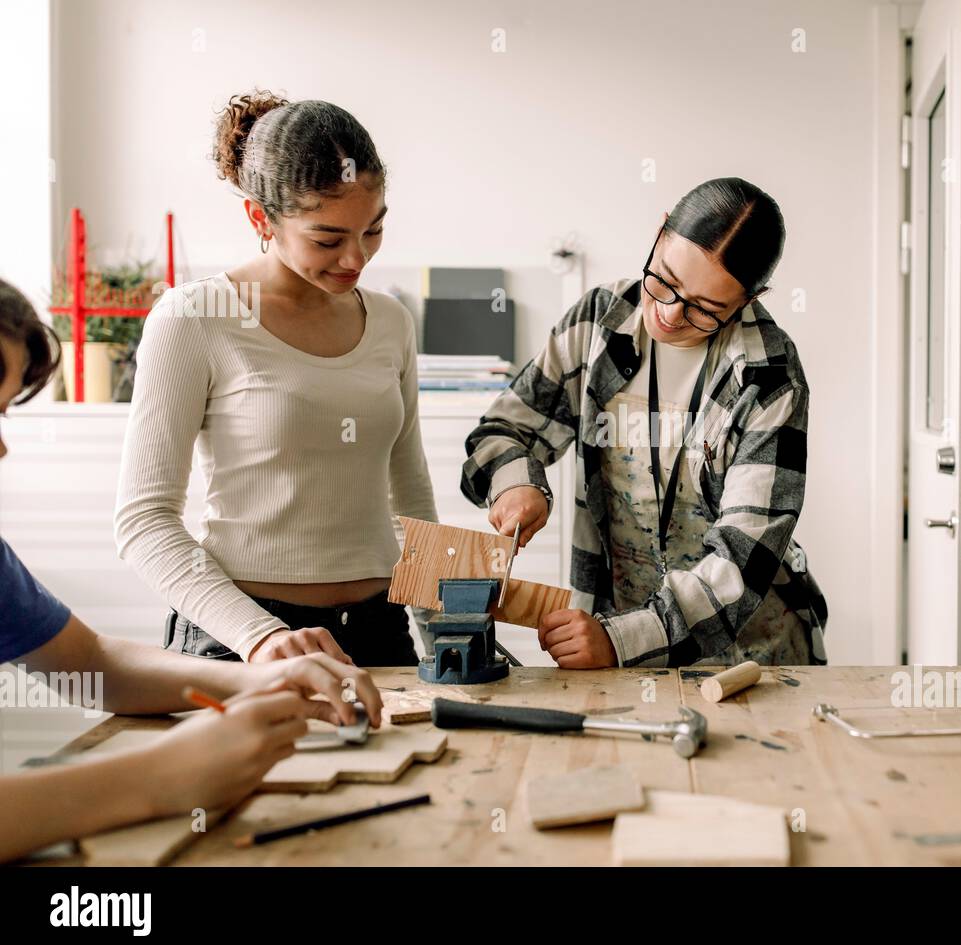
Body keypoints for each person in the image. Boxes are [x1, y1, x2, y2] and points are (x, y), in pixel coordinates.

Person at [0, 278, 383, 864]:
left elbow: (89, 664)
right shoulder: (190, 318)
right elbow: (144, 522)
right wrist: (159, 776)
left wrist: (261, 678)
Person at [114, 90, 436, 666]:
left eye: (373, 230)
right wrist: (260, 636)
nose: (357, 259)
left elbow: (411, 500)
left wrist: (449, 645)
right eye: (327, 239)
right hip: (242, 638)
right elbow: (144, 522)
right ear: (261, 219)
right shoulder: (193, 319)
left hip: (379, 634)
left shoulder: (390, 321)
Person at [463, 178, 827, 668]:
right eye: (666, 280)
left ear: (750, 298)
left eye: (705, 308)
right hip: (615, 631)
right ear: (660, 233)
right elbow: (501, 432)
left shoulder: (770, 379)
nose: (671, 315)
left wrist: (623, 640)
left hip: (749, 654)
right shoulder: (599, 322)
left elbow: (742, 558)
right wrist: (515, 485)